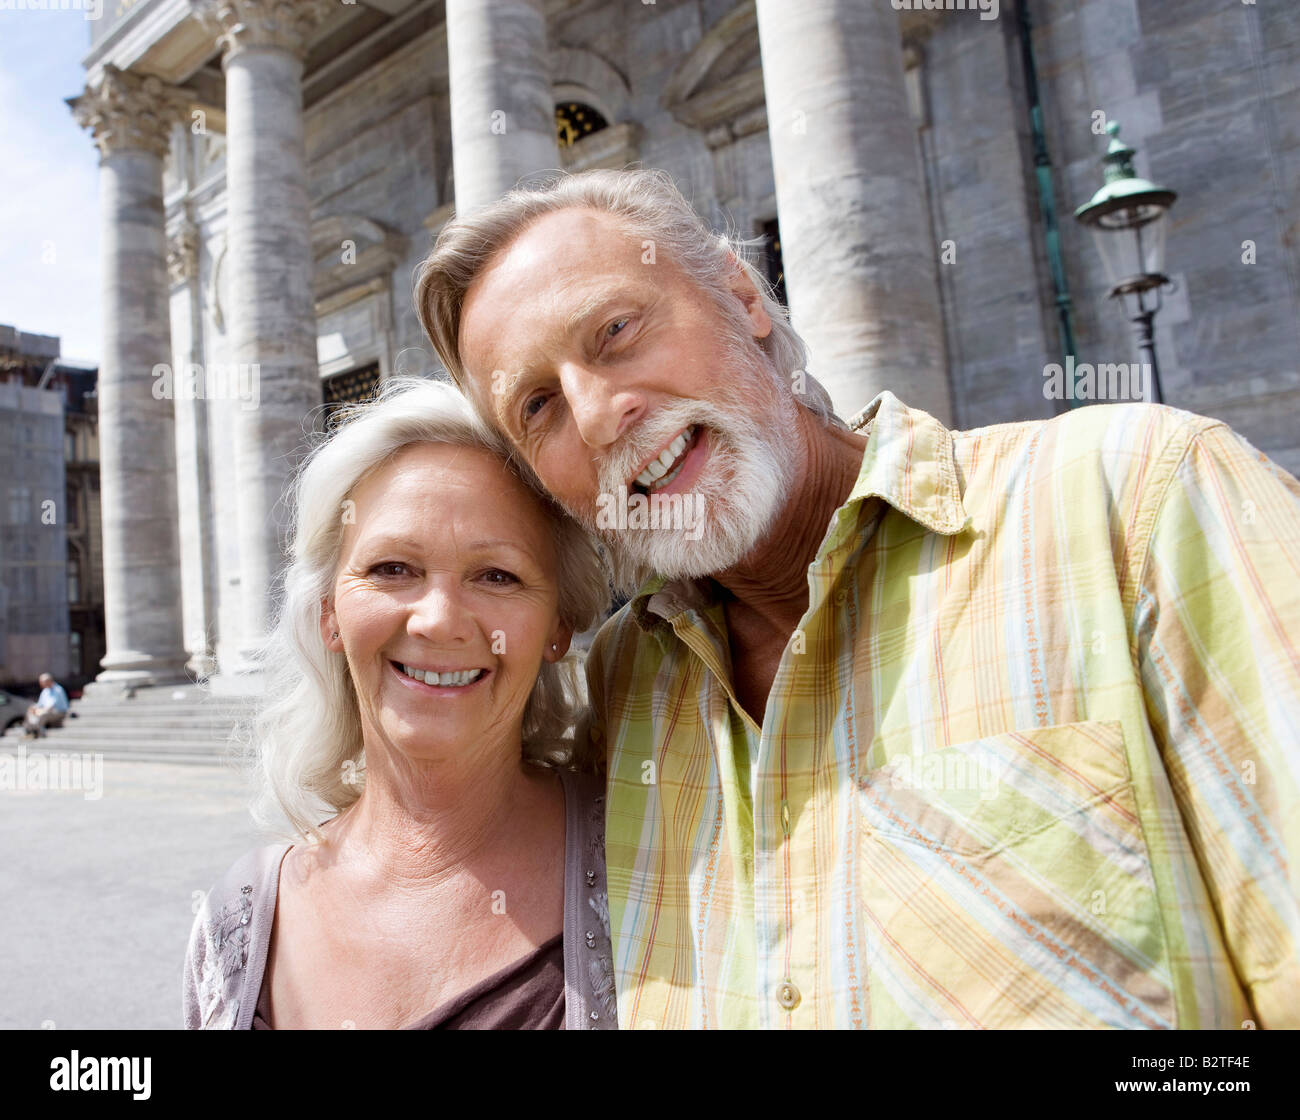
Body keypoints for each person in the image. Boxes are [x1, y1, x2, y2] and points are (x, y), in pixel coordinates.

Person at [413, 167, 1300, 1029]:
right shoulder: (620, 688)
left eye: (615, 330)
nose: (599, 412)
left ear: (743, 298)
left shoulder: (1136, 500)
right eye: (538, 406)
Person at [183, 378, 615, 1029]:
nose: (438, 621)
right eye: (392, 569)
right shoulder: (236, 926)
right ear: (329, 613)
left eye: (497, 575)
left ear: (559, 627)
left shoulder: (654, 859)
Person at [24, 673, 68, 738]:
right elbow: (39, 704)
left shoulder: (58, 689)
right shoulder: (45, 691)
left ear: (49, 681)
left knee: (42, 714)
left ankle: (40, 733)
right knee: (30, 712)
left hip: (59, 712)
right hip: (47, 710)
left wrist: (41, 711)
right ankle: (31, 731)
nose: (41, 684)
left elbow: (52, 705)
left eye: (42, 682)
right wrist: (33, 708)